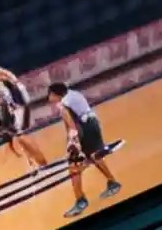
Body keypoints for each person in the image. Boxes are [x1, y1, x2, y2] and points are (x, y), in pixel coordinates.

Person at [47, 82, 123, 218]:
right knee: (95, 157)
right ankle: (113, 183)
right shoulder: (74, 94)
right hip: (93, 124)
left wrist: (72, 145)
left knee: (73, 168)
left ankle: (80, 201)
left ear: (56, 95)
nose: (49, 98)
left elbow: (72, 127)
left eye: (50, 95)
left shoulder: (63, 106)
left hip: (83, 130)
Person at [0, 57, 47, 172]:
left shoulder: (0, 75)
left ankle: (43, 162)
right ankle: (34, 164)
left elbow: (18, 88)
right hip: (12, 111)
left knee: (22, 137)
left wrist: (19, 106)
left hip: (18, 107)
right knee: (20, 138)